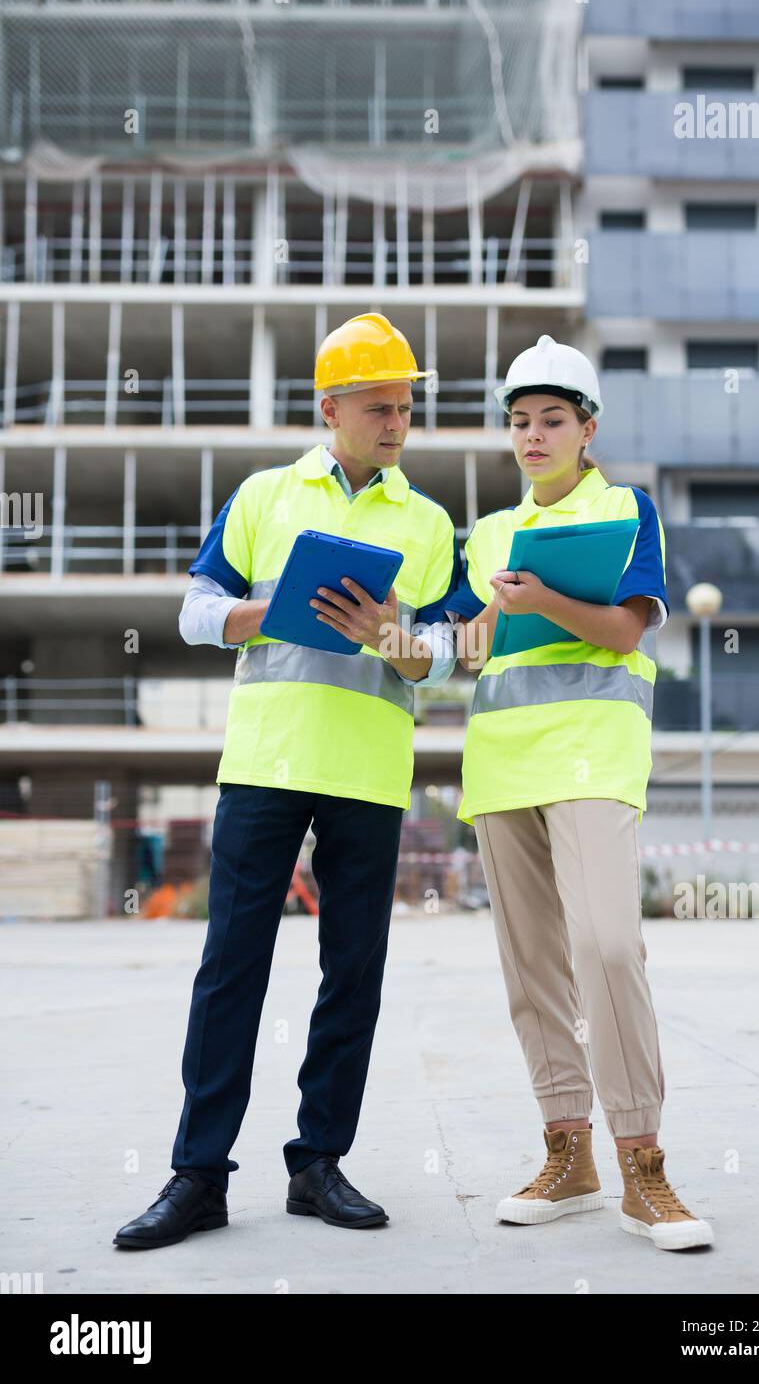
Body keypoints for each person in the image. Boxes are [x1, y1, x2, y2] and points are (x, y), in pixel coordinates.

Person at [114, 313, 460, 1248]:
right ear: (330, 408)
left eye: (405, 407)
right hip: (265, 767)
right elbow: (194, 614)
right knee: (232, 967)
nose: (397, 423)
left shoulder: (429, 525)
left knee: (352, 972)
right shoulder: (264, 497)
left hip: (369, 774)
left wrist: (388, 635)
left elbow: (445, 653)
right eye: (380, 407)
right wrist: (267, 612)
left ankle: (318, 1164)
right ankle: (198, 1175)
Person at [446, 335, 714, 1251]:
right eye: (519, 423)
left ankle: (645, 1166)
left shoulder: (625, 508)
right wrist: (401, 635)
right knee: (531, 971)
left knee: (606, 945)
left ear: (587, 428)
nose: (532, 437)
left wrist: (538, 600)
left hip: (594, 757)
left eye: (551, 420)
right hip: (500, 764)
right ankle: (569, 1155)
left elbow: (626, 632)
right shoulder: (482, 534)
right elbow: (458, 653)